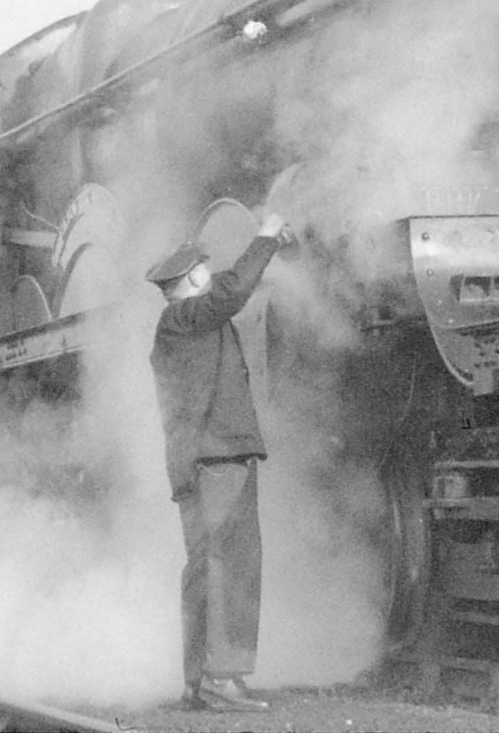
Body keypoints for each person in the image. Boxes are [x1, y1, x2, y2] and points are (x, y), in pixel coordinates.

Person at [147, 212, 293, 714]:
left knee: (217, 567)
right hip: (214, 463)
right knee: (226, 567)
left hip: (213, 461)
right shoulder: (182, 320)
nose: (212, 276)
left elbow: (228, 295)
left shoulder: (189, 324)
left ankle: (205, 682)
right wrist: (266, 237)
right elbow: (232, 291)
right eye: (205, 271)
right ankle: (219, 680)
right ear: (190, 280)